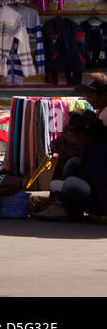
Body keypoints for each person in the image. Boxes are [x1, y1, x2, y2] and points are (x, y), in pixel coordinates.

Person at [39, 73, 107, 220]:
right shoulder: (100, 111)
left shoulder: (104, 117)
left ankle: (65, 204)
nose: (87, 98)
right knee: (72, 163)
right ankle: (61, 202)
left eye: (91, 95)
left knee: (70, 172)